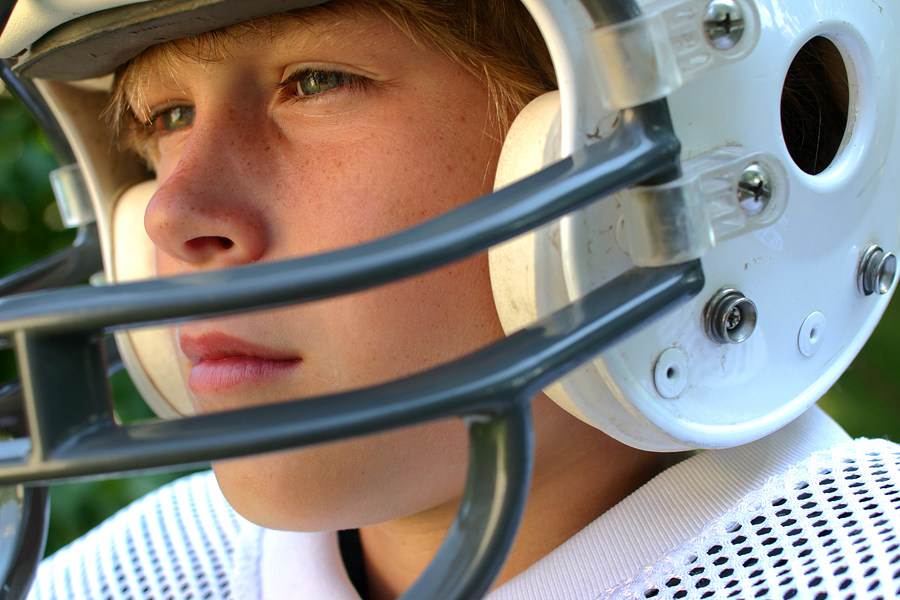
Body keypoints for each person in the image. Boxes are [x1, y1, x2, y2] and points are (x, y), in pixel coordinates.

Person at [0, 0, 898, 599]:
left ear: (690, 140)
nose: (171, 214)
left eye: (316, 81)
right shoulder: (121, 577)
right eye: (166, 118)